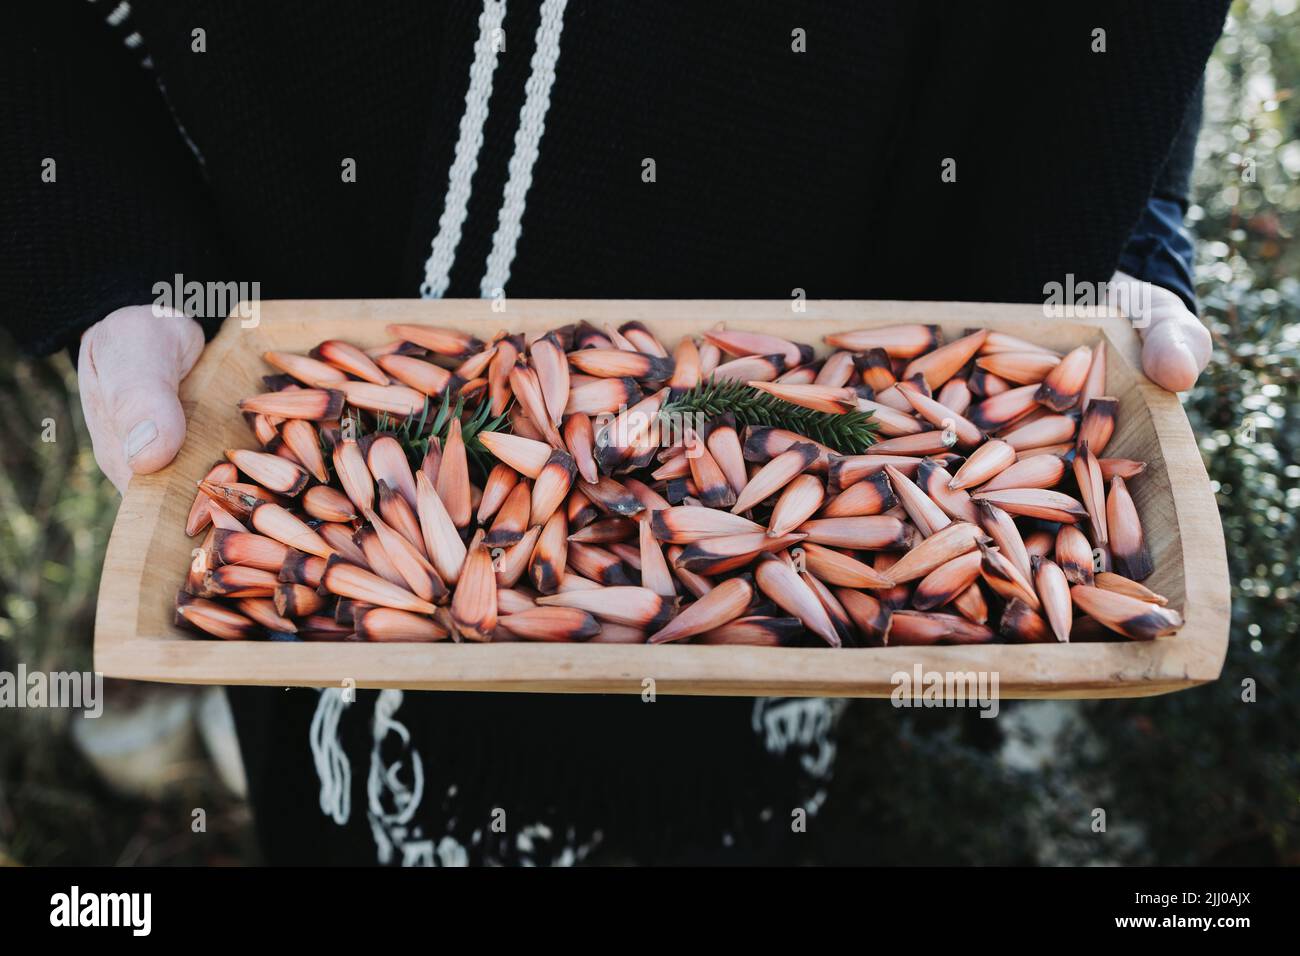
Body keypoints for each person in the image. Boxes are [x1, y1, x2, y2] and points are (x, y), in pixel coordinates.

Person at [1, 1, 1224, 865]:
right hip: (328, 422)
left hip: (836, 473)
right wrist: (112, 248)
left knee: (761, 737)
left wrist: (1113, 216)